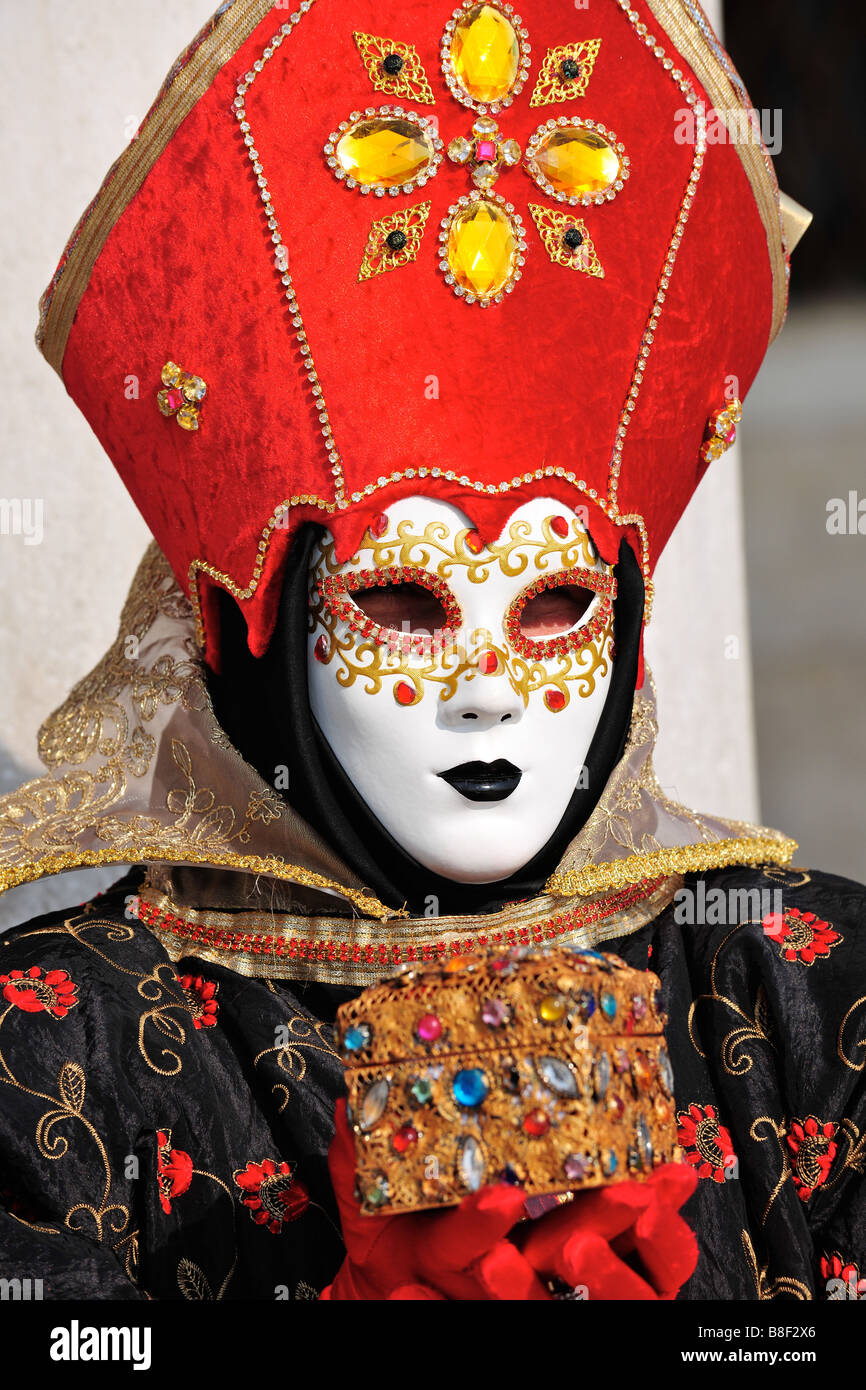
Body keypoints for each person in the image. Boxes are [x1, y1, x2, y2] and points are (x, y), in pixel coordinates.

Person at [1, 0, 862, 1301]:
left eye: (555, 603)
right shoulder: (57, 1043)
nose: (482, 688)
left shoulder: (795, 993)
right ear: (252, 633)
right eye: (400, 602)